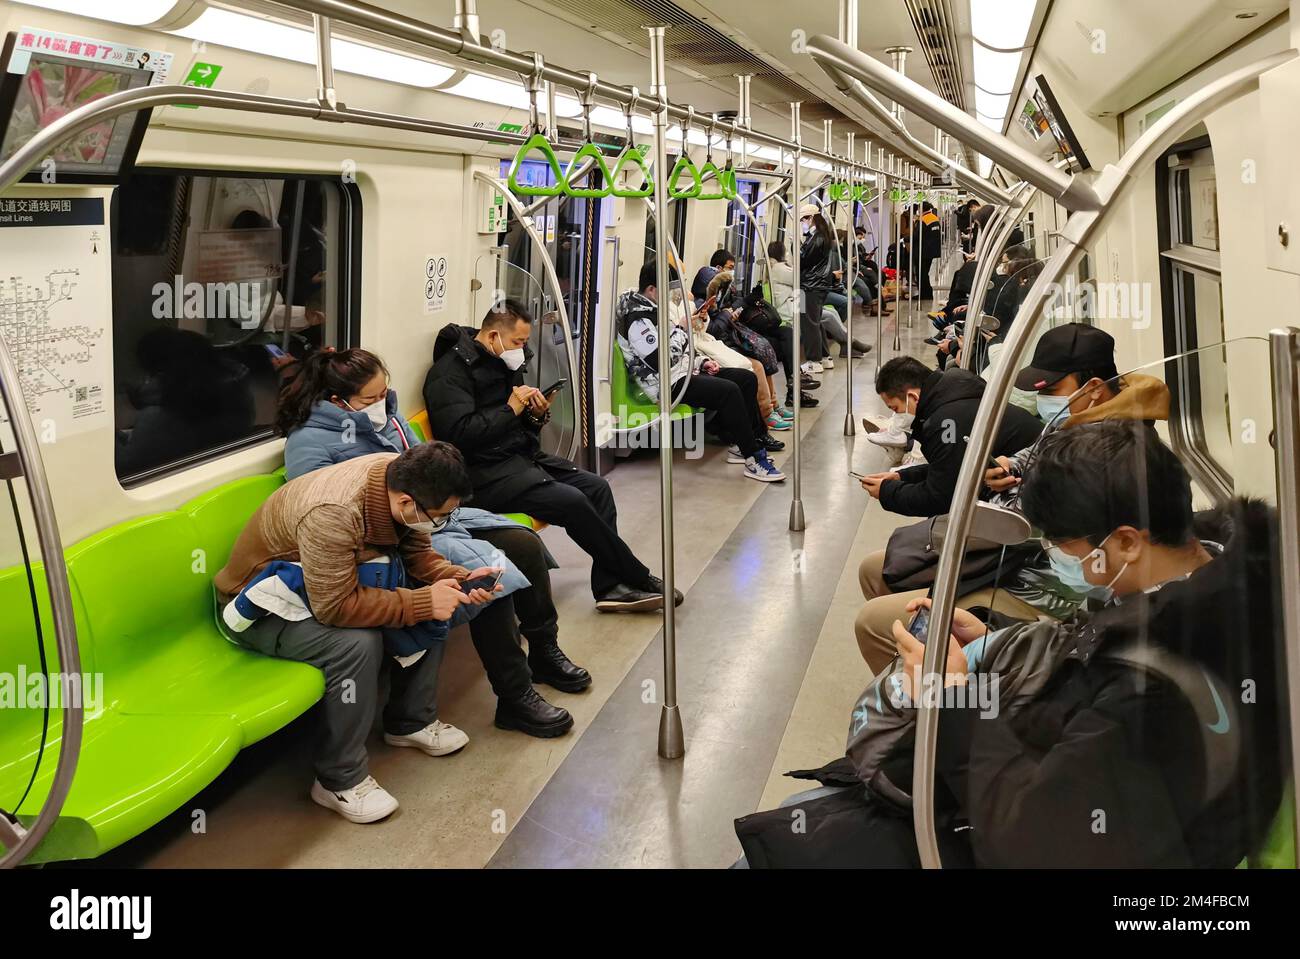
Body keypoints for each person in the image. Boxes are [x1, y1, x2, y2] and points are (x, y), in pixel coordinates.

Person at [739, 422, 1284, 868]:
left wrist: (951, 696)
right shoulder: (1206, 582)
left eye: (1065, 547)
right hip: (1039, 759)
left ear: (1125, 541)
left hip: (1023, 828)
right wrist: (992, 636)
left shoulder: (1152, 697)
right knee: (804, 815)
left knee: (785, 835)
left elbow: (1032, 843)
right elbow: (1088, 659)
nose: (1060, 558)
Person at [213, 445, 566, 823]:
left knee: (427, 596)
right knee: (356, 644)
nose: (442, 523)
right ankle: (337, 779)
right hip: (261, 602)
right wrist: (421, 603)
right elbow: (335, 608)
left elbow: (417, 556)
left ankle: (410, 721)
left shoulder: (396, 479)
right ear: (406, 501)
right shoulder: (332, 514)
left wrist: (456, 577)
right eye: (441, 516)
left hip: (318, 585)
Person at [277, 348, 591, 698]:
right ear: (338, 401)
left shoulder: (391, 419)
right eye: (371, 398)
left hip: (430, 516)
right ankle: (515, 694)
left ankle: (544, 649)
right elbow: (320, 505)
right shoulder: (308, 441)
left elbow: (425, 466)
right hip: (390, 534)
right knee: (491, 576)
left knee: (525, 544)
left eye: (384, 393)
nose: (382, 402)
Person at [854, 326, 1170, 673]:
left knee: (874, 619)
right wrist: (1003, 466)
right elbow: (1028, 455)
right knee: (880, 570)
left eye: (1051, 389)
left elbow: (958, 499)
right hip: (1019, 561)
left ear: (1093, 388)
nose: (1043, 399)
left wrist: (892, 491)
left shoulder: (1115, 452)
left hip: (1041, 581)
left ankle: (938, 704)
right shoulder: (1075, 424)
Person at [425, 300, 678, 613]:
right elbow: (458, 436)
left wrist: (533, 415)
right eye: (517, 342)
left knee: (596, 488)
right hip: (482, 476)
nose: (521, 349)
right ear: (492, 336)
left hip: (518, 461)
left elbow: (513, 425)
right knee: (572, 502)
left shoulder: (503, 363)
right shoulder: (448, 376)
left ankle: (610, 587)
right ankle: (637, 576)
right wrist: (511, 410)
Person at [618, 262, 786, 482]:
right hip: (666, 385)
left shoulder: (653, 310)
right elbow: (661, 360)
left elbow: (680, 352)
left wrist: (702, 361)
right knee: (729, 391)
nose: (670, 295)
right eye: (666, 290)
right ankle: (753, 457)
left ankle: (742, 442)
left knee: (746, 379)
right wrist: (681, 328)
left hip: (683, 372)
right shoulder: (638, 321)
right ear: (651, 290)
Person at [857, 356, 1042, 515]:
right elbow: (951, 469)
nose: (897, 416)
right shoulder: (954, 395)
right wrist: (901, 477)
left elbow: (941, 497)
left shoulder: (946, 422)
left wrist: (886, 492)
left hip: (1029, 491)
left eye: (895, 409)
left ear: (913, 397)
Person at [765, 240, 822, 407]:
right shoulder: (778, 268)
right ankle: (808, 369)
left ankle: (797, 386)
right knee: (816, 320)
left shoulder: (781, 267)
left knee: (821, 319)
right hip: (786, 313)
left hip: (793, 308)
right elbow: (800, 278)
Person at [796, 204, 837, 366]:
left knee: (809, 324)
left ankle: (814, 361)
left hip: (811, 284)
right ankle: (825, 357)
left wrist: (797, 245)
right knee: (816, 321)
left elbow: (803, 260)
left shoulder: (817, 238)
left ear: (812, 218)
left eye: (804, 219)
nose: (803, 222)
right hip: (818, 283)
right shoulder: (822, 236)